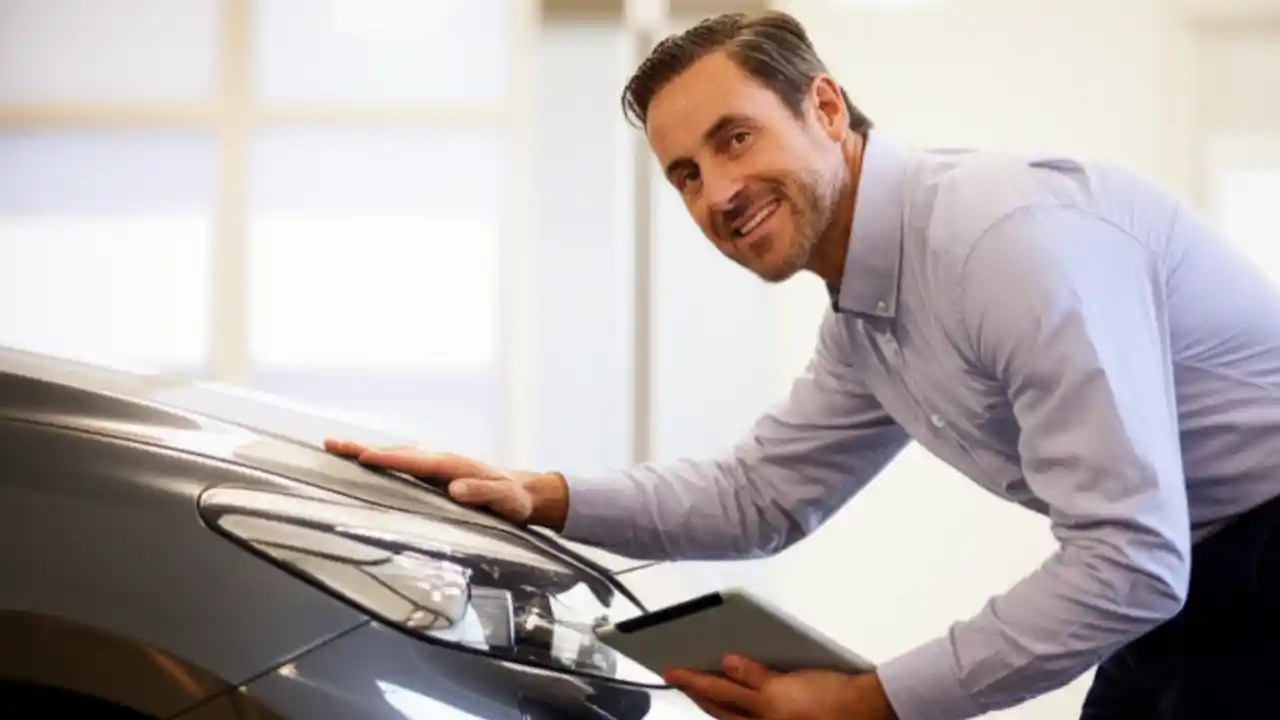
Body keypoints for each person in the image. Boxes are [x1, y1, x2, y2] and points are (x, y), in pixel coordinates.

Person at [326, 9, 1280, 720]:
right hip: (1196, 575)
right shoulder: (868, 319)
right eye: (686, 175)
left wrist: (870, 701)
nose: (718, 195)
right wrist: (540, 494)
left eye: (734, 138)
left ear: (825, 106)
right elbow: (762, 497)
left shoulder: (1002, 244)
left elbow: (1131, 560)